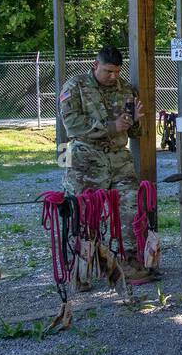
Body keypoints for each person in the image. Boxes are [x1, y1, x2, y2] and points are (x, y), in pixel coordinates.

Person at [59, 44, 154, 282]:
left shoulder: (126, 91)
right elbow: (72, 124)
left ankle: (126, 261)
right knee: (83, 213)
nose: (112, 76)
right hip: (86, 160)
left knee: (130, 209)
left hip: (119, 160)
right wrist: (111, 127)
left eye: (116, 72)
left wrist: (134, 121)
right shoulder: (76, 86)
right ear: (95, 66)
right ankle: (80, 269)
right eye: (107, 71)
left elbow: (136, 132)